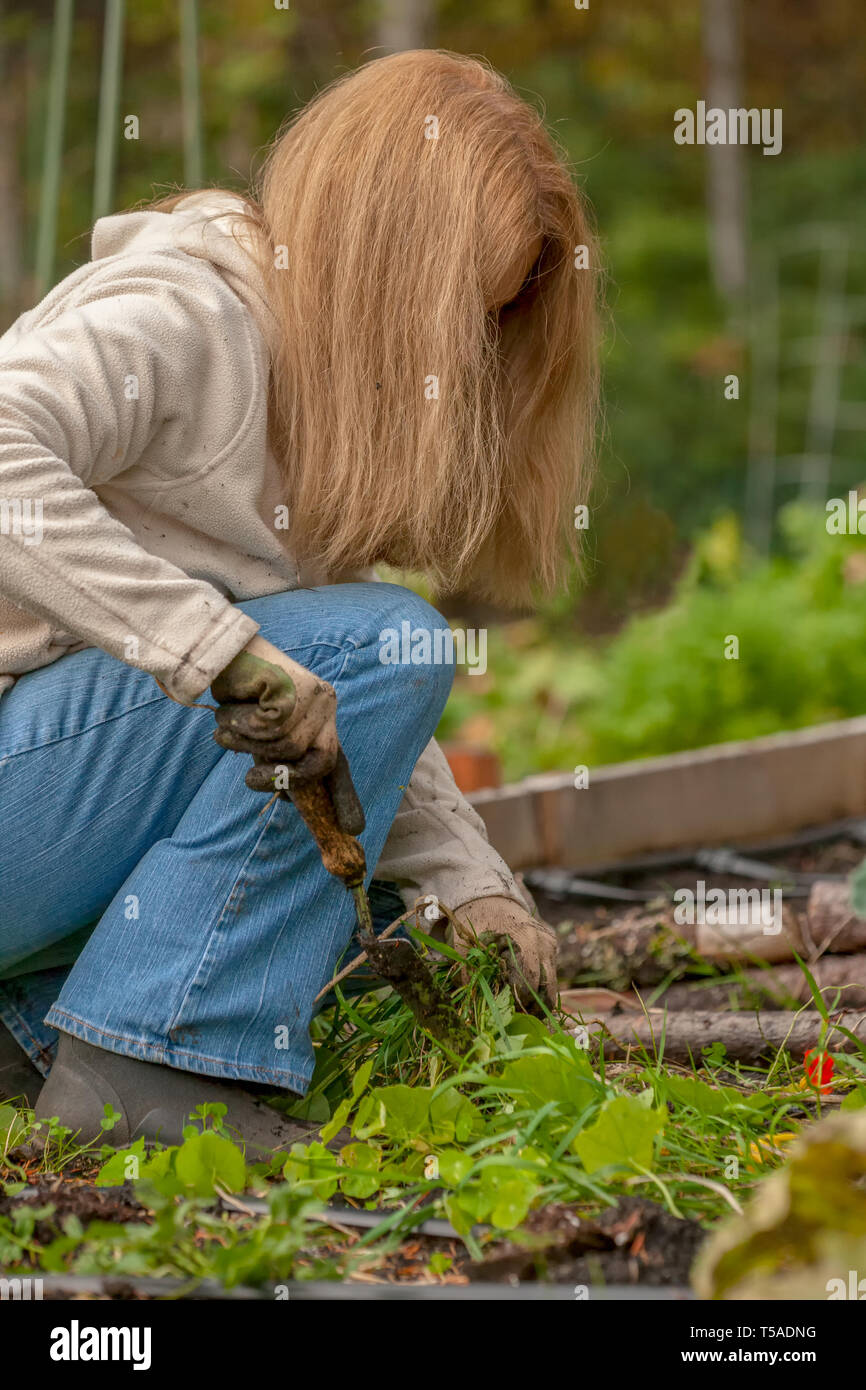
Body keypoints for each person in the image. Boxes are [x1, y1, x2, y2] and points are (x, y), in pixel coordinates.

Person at [0, 49, 598, 1151]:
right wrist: (215, 651)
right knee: (398, 644)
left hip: (42, 818)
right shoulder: (186, 313)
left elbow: (335, 701)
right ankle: (144, 1063)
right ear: (390, 265)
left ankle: (46, 1036)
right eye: (459, 318)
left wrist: (478, 897)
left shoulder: (309, 409)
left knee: (376, 917)